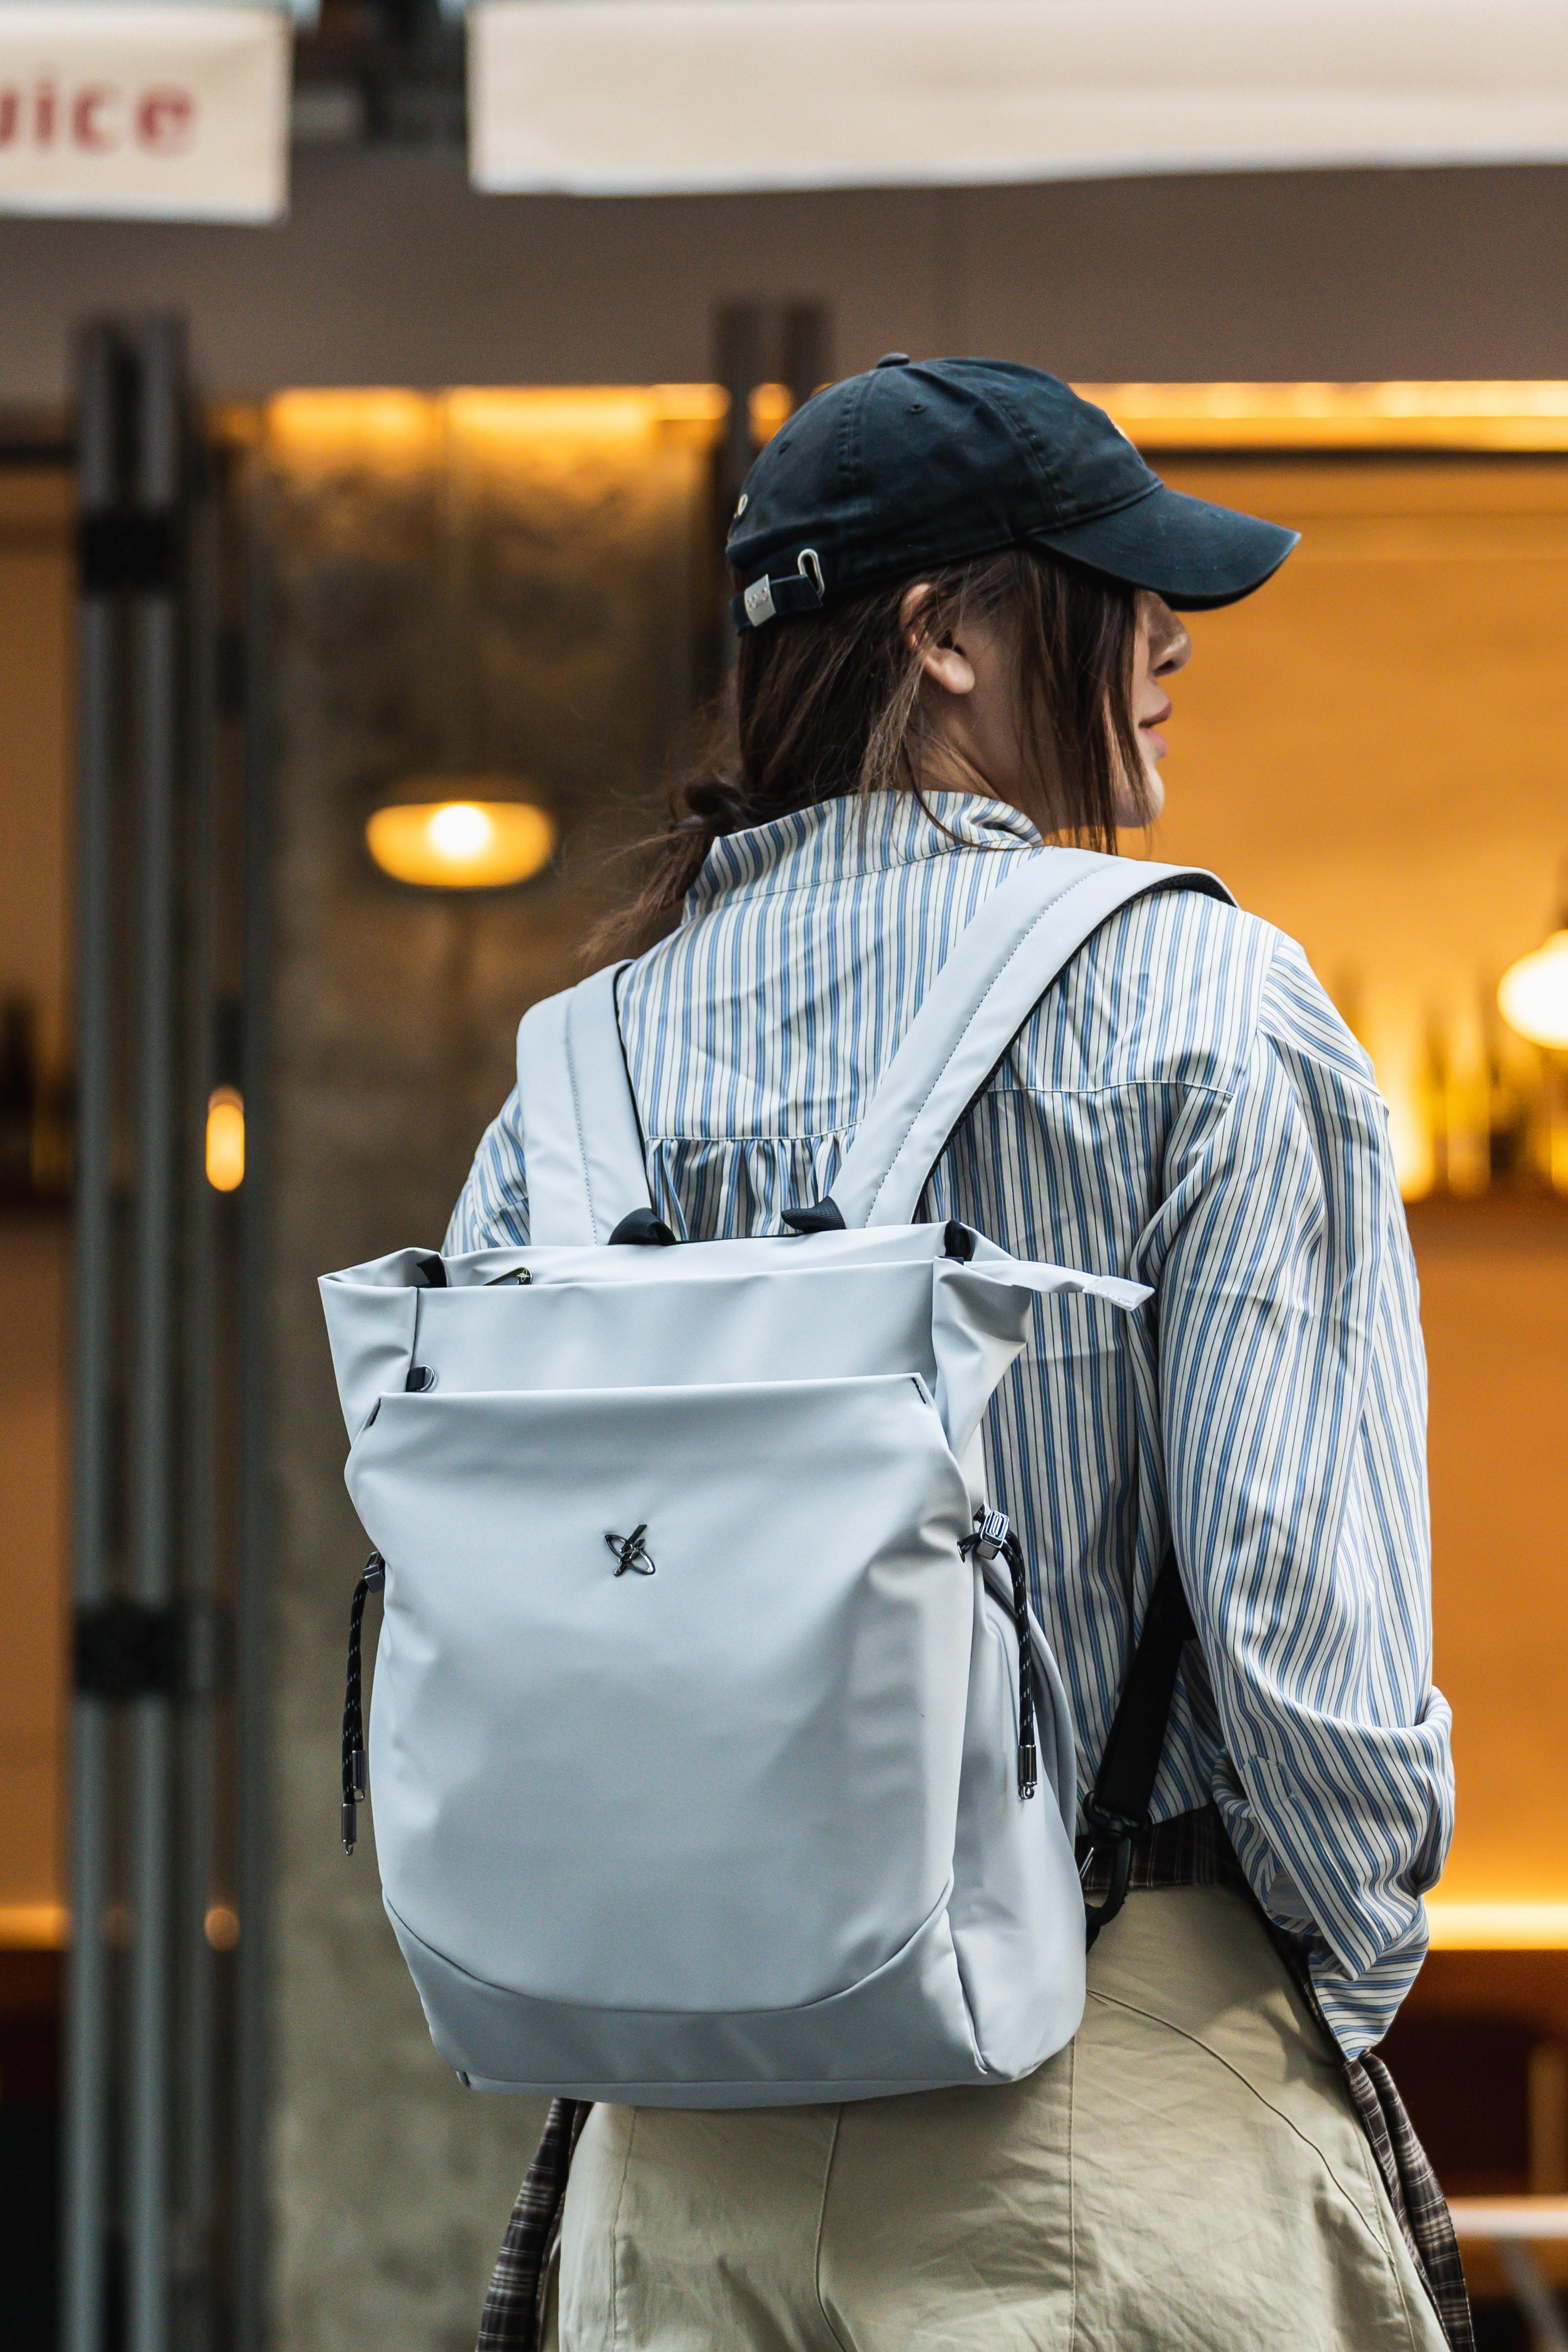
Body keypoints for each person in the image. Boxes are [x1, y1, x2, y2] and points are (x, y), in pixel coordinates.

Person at [451, 359, 1463, 2352]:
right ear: (942, 637)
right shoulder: (1201, 1001)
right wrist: (1302, 1991)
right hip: (1104, 2088)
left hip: (671, 2155)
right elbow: (1300, 1632)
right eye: (1117, 586)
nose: (1169, 637)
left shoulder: (574, 1078)